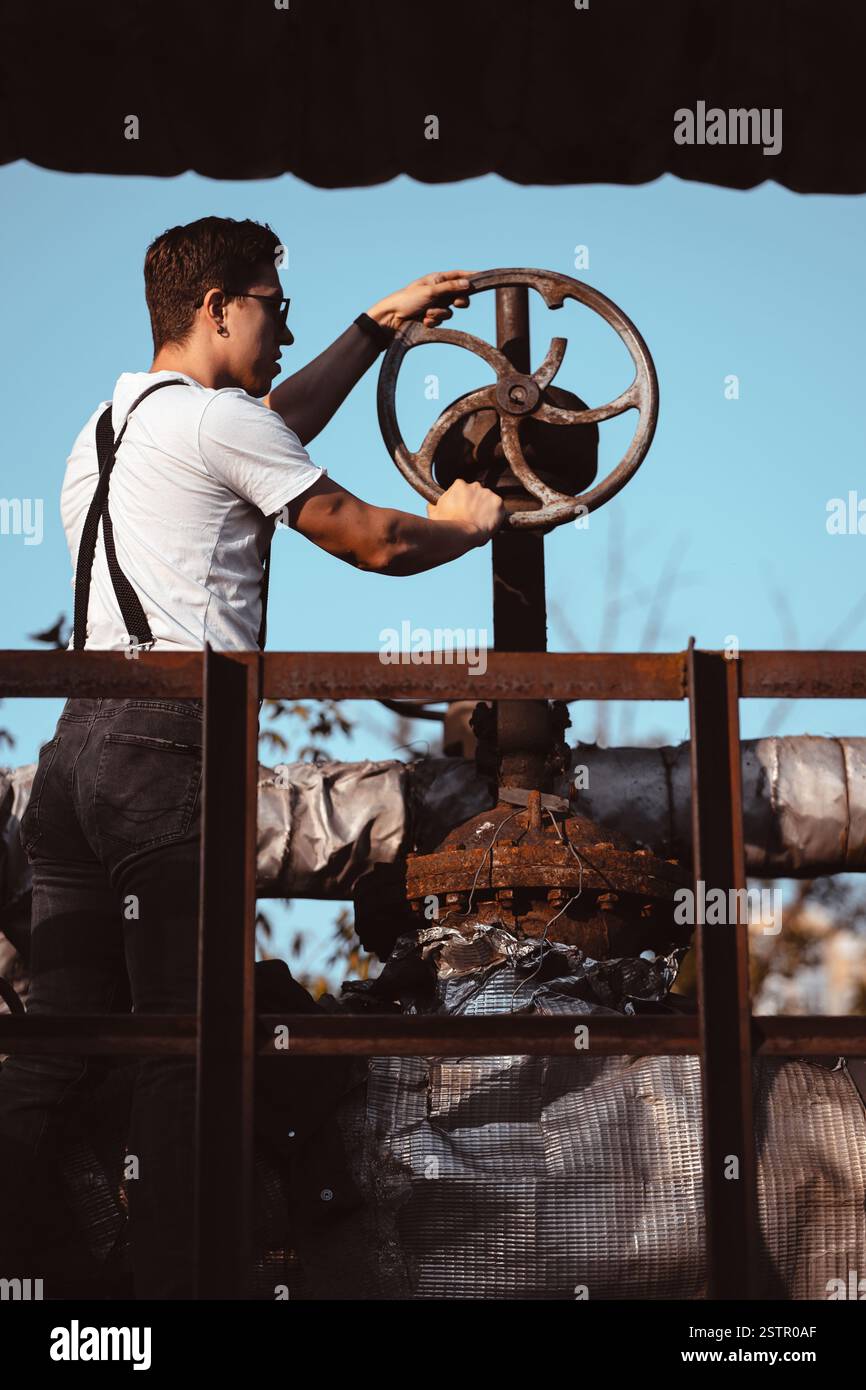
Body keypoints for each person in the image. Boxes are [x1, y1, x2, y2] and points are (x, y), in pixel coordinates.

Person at [0, 215, 505, 1299]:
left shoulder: (112, 426)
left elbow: (264, 425)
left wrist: (377, 329)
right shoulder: (219, 426)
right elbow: (366, 538)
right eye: (275, 304)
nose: (287, 322)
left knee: (56, 1040)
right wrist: (459, 524)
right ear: (220, 308)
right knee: (188, 1041)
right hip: (167, 752)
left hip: (75, 758)